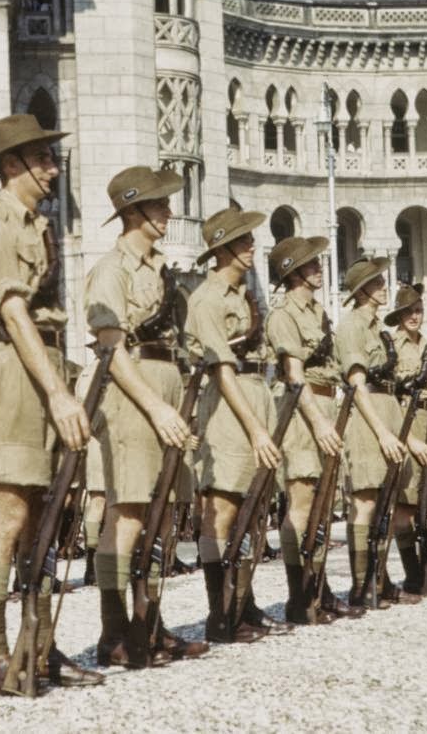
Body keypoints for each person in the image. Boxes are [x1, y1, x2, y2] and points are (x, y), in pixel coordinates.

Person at [0, 113, 102, 694]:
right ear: (12, 164)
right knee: (10, 509)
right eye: (42, 159)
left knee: (44, 514)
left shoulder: (35, 225)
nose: (52, 169)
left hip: (43, 360)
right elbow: (15, 314)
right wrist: (57, 393)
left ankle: (39, 646)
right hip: (17, 368)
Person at [85, 166, 209, 666]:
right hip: (131, 392)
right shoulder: (111, 270)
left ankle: (150, 625)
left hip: (166, 382)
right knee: (130, 512)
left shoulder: (161, 270)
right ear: (133, 211)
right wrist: (155, 408)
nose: (168, 212)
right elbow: (111, 349)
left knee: (163, 513)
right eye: (158, 205)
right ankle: (115, 632)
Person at [185, 206, 284, 644]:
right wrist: (256, 430)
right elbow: (222, 369)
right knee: (223, 507)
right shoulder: (207, 298)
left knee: (252, 505)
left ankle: (243, 601)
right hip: (229, 403)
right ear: (222, 247)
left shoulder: (242, 294)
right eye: (243, 240)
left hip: (255, 392)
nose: (251, 246)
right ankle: (220, 610)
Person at [264, 236, 359, 624]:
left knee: (322, 503)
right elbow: (293, 375)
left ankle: (319, 588)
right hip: (301, 411)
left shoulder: (318, 312)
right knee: (302, 501)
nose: (319, 268)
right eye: (310, 264)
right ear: (292, 272)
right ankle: (299, 595)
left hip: (325, 404)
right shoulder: (283, 315)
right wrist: (318, 422)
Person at [333, 258, 423, 608]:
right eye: (377, 283)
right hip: (366, 414)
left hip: (386, 409)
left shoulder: (378, 331)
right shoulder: (351, 326)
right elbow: (357, 384)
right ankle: (361, 585)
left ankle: (380, 579)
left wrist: (400, 432)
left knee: (386, 500)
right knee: (366, 500)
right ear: (361, 291)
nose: (384, 287)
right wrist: (383, 433)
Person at [385, 284, 427, 594]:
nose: (414, 316)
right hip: (404, 424)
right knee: (405, 508)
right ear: (399, 315)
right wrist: (409, 440)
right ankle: (413, 575)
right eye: (408, 311)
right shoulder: (391, 347)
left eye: (419, 311)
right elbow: (390, 400)